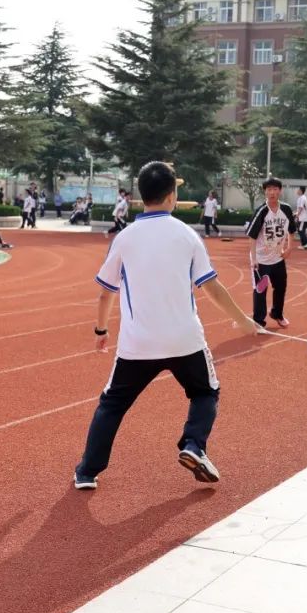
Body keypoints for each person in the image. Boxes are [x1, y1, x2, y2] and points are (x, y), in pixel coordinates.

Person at [72, 161, 259, 490]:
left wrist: (101, 331)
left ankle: (88, 471)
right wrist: (242, 320)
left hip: (137, 344)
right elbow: (211, 286)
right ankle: (193, 445)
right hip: (185, 340)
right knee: (205, 392)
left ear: (140, 196)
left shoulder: (125, 238)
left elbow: (106, 294)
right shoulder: (187, 235)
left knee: (112, 404)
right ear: (172, 195)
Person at [248, 177, 296, 329]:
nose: (272, 192)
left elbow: (292, 231)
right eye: (269, 189)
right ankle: (259, 321)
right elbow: (252, 236)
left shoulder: (286, 209)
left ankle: (277, 314)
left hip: (278, 257)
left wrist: (289, 248)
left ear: (280, 191)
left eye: (275, 189)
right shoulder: (262, 211)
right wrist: (254, 259)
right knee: (260, 290)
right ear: (265, 192)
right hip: (261, 260)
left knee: (281, 287)